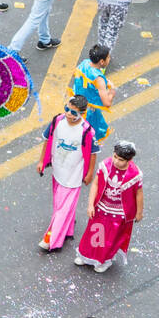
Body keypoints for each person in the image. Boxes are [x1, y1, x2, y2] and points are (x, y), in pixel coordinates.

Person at [37, 94, 96, 252]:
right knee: (59, 204)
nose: (69, 114)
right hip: (58, 170)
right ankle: (68, 230)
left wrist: (89, 173)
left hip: (74, 176)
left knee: (62, 209)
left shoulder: (87, 131)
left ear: (82, 113)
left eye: (74, 112)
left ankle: (52, 239)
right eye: (67, 109)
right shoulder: (57, 121)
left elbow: (93, 153)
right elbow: (47, 140)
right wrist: (42, 161)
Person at [75, 139, 142, 272]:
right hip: (101, 207)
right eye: (115, 157)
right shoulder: (106, 165)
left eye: (121, 160)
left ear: (129, 160)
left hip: (118, 213)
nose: (116, 161)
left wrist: (139, 212)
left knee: (110, 238)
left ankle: (103, 260)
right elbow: (95, 184)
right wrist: (90, 205)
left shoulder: (134, 174)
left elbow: (138, 193)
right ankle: (88, 255)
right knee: (95, 232)